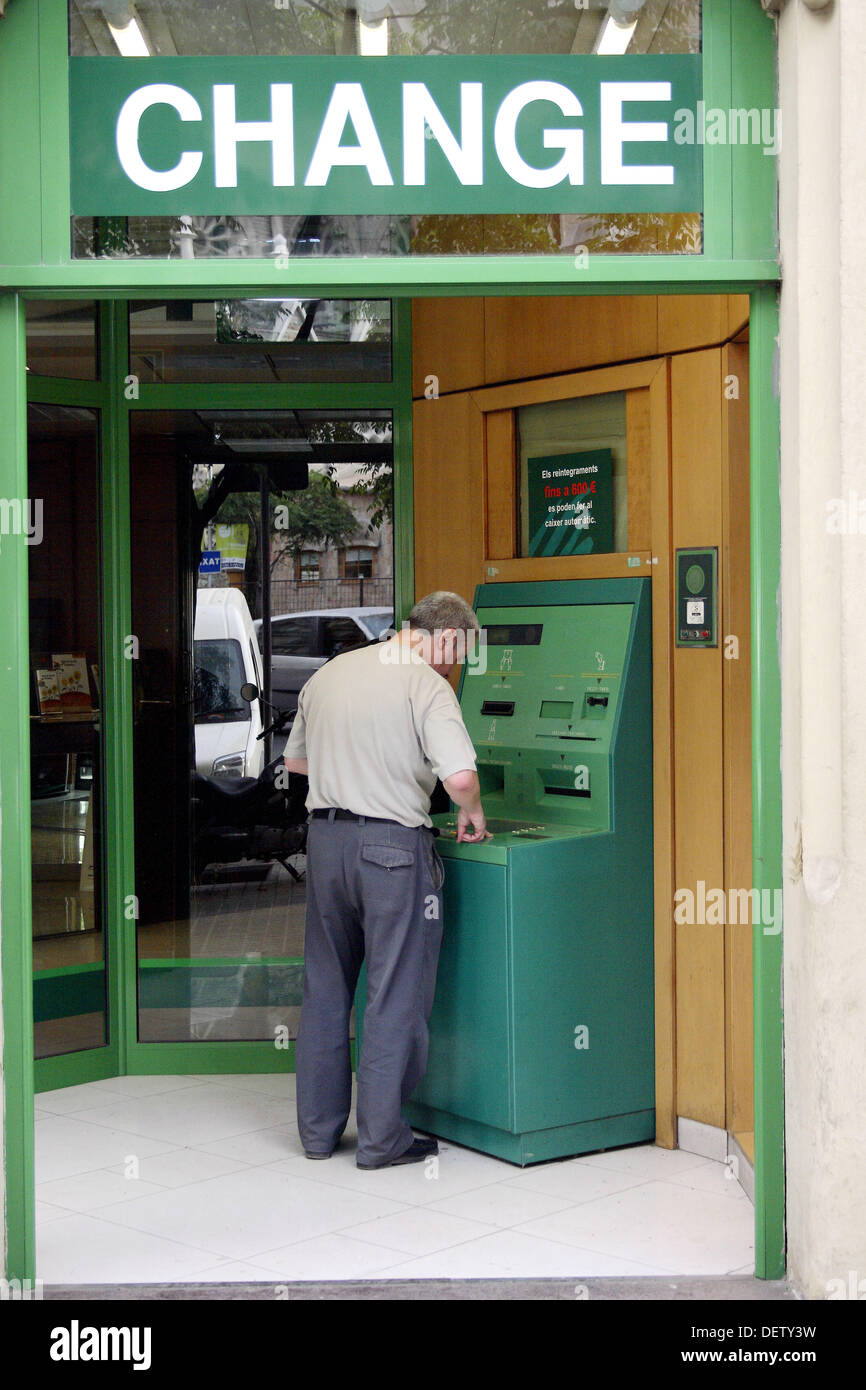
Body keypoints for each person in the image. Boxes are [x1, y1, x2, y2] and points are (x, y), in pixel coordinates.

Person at [283, 591, 490, 1169]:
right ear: (445, 639)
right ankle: (381, 1140)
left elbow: (296, 766)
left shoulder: (330, 673)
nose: (456, 668)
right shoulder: (425, 685)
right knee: (393, 993)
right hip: (392, 851)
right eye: (460, 655)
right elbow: (460, 776)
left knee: (325, 991)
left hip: (324, 846)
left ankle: (318, 1135)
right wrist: (473, 815)